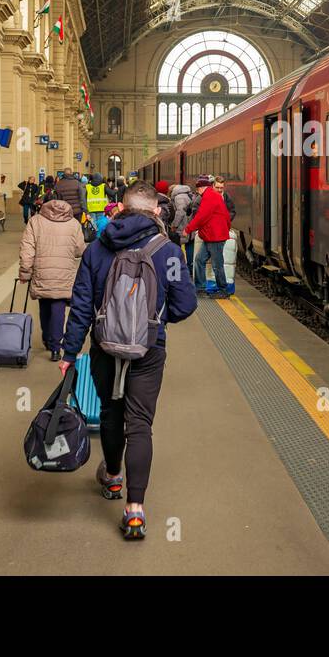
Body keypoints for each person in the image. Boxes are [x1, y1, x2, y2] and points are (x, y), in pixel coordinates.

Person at [61, 182, 197, 539]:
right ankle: (135, 511)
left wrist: (69, 353)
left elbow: (80, 306)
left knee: (110, 412)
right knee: (139, 424)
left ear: (120, 209)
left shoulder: (97, 249)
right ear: (156, 211)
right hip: (149, 351)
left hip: (104, 347)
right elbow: (185, 305)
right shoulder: (167, 253)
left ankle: (112, 476)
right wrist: (154, 320)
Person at [19, 196, 86, 362]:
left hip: (42, 273)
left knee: (45, 305)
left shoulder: (35, 221)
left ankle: (47, 339)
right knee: (59, 308)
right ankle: (56, 348)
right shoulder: (74, 224)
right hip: (64, 274)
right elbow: (79, 250)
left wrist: (25, 272)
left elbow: (27, 249)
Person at [184, 176, 231, 298]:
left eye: (198, 188)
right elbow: (226, 215)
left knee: (217, 264)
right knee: (199, 260)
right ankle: (200, 288)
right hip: (211, 235)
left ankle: (223, 290)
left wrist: (188, 229)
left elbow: (201, 216)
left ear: (202, 187)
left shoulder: (209, 197)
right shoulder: (212, 195)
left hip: (215, 236)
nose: (197, 191)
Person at [167, 181, 196, 273]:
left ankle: (179, 268)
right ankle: (190, 267)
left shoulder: (179, 197)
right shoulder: (188, 194)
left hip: (182, 226)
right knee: (189, 245)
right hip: (190, 225)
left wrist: (174, 225)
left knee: (177, 247)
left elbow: (180, 212)